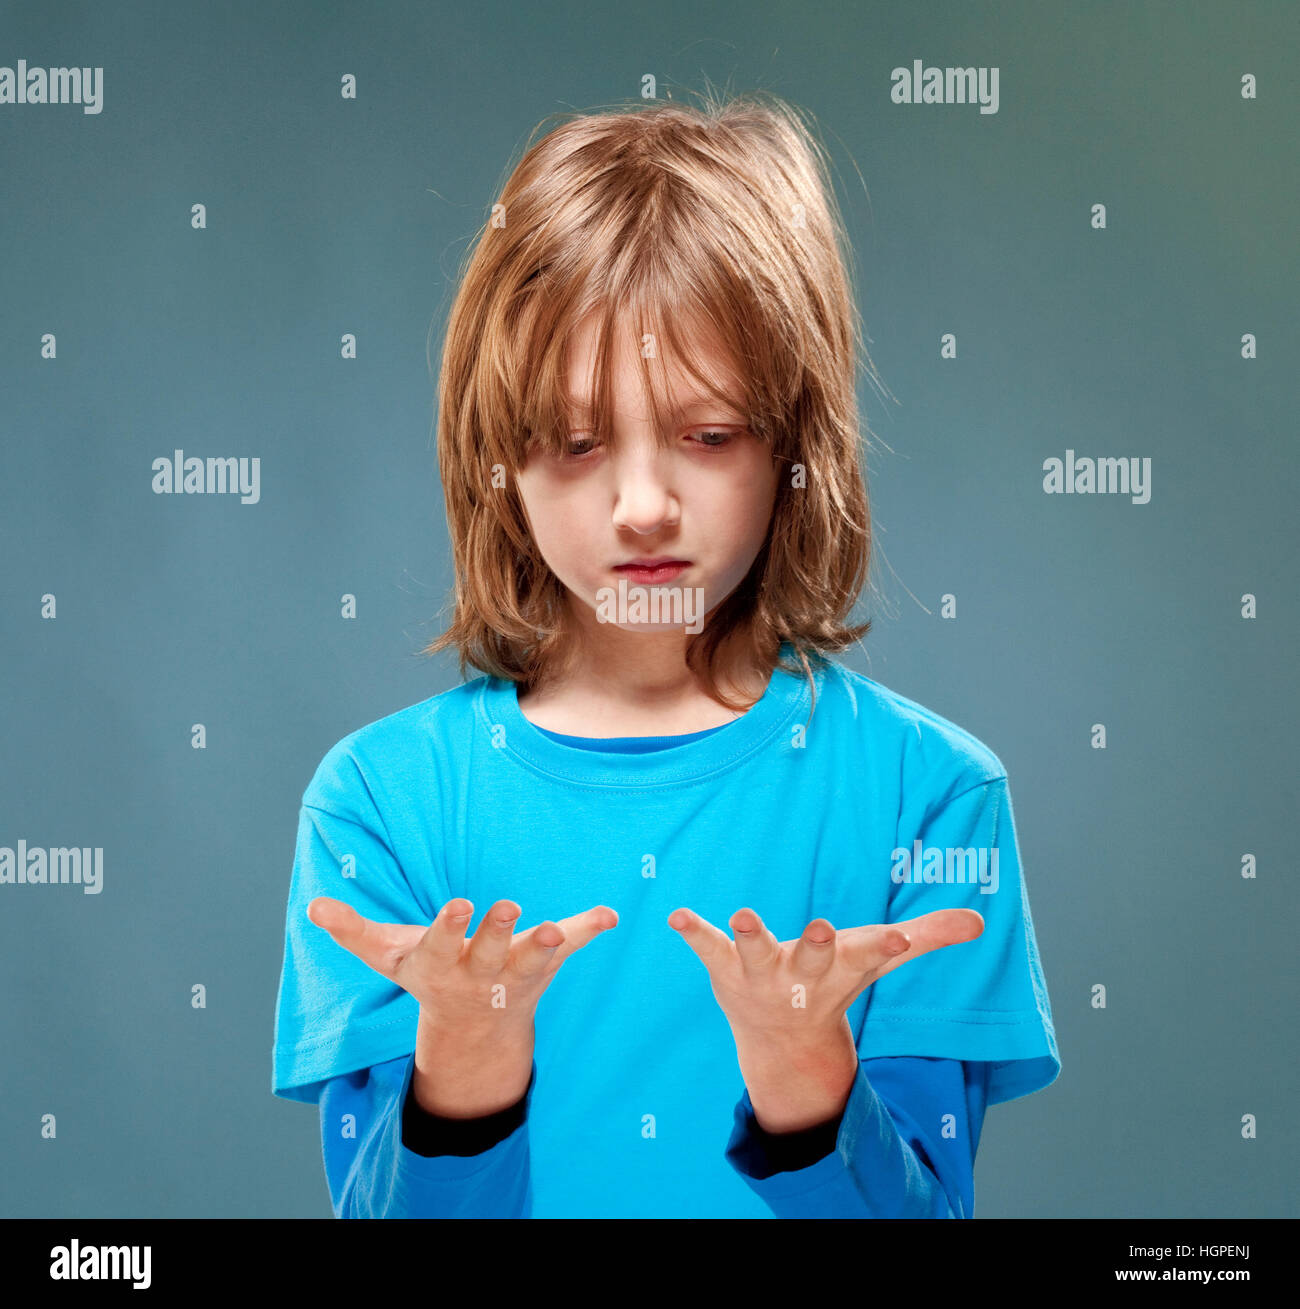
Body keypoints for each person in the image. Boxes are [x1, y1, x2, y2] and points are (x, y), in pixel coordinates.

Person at [271, 90, 1059, 1219]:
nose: (644, 506)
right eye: (579, 441)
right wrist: (466, 1080)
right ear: (496, 457)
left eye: (707, 435)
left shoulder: (930, 797)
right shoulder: (378, 805)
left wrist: (804, 1080)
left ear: (796, 442)